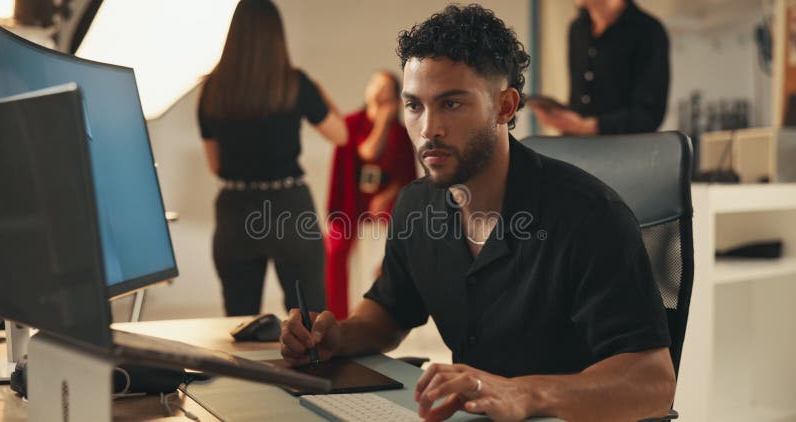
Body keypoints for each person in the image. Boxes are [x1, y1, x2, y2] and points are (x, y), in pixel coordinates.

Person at [280, 5, 675, 422]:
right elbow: (390, 313)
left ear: (504, 107)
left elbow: (652, 383)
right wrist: (337, 336)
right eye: (414, 106)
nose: (429, 128)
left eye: (451, 104)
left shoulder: (590, 216)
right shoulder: (416, 205)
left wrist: (525, 392)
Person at [197, 0, 347, 316]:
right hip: (289, 207)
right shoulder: (295, 83)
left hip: (235, 210)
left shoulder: (212, 88)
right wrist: (319, 93)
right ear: (277, 36)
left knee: (239, 321)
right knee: (309, 320)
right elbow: (340, 135)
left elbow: (216, 166)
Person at [325, 71, 417, 319]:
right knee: (335, 248)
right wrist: (381, 124)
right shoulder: (351, 123)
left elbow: (405, 176)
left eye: (385, 87)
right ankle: (338, 315)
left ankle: (379, 311)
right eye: (374, 84)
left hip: (383, 203)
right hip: (352, 201)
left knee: (391, 248)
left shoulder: (399, 131)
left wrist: (387, 195)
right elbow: (367, 151)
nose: (378, 91)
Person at [532, 0, 669, 135]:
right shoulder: (578, 28)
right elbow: (580, 101)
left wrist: (589, 127)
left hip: (626, 151)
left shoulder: (648, 30)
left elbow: (649, 115)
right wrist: (561, 117)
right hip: (577, 149)